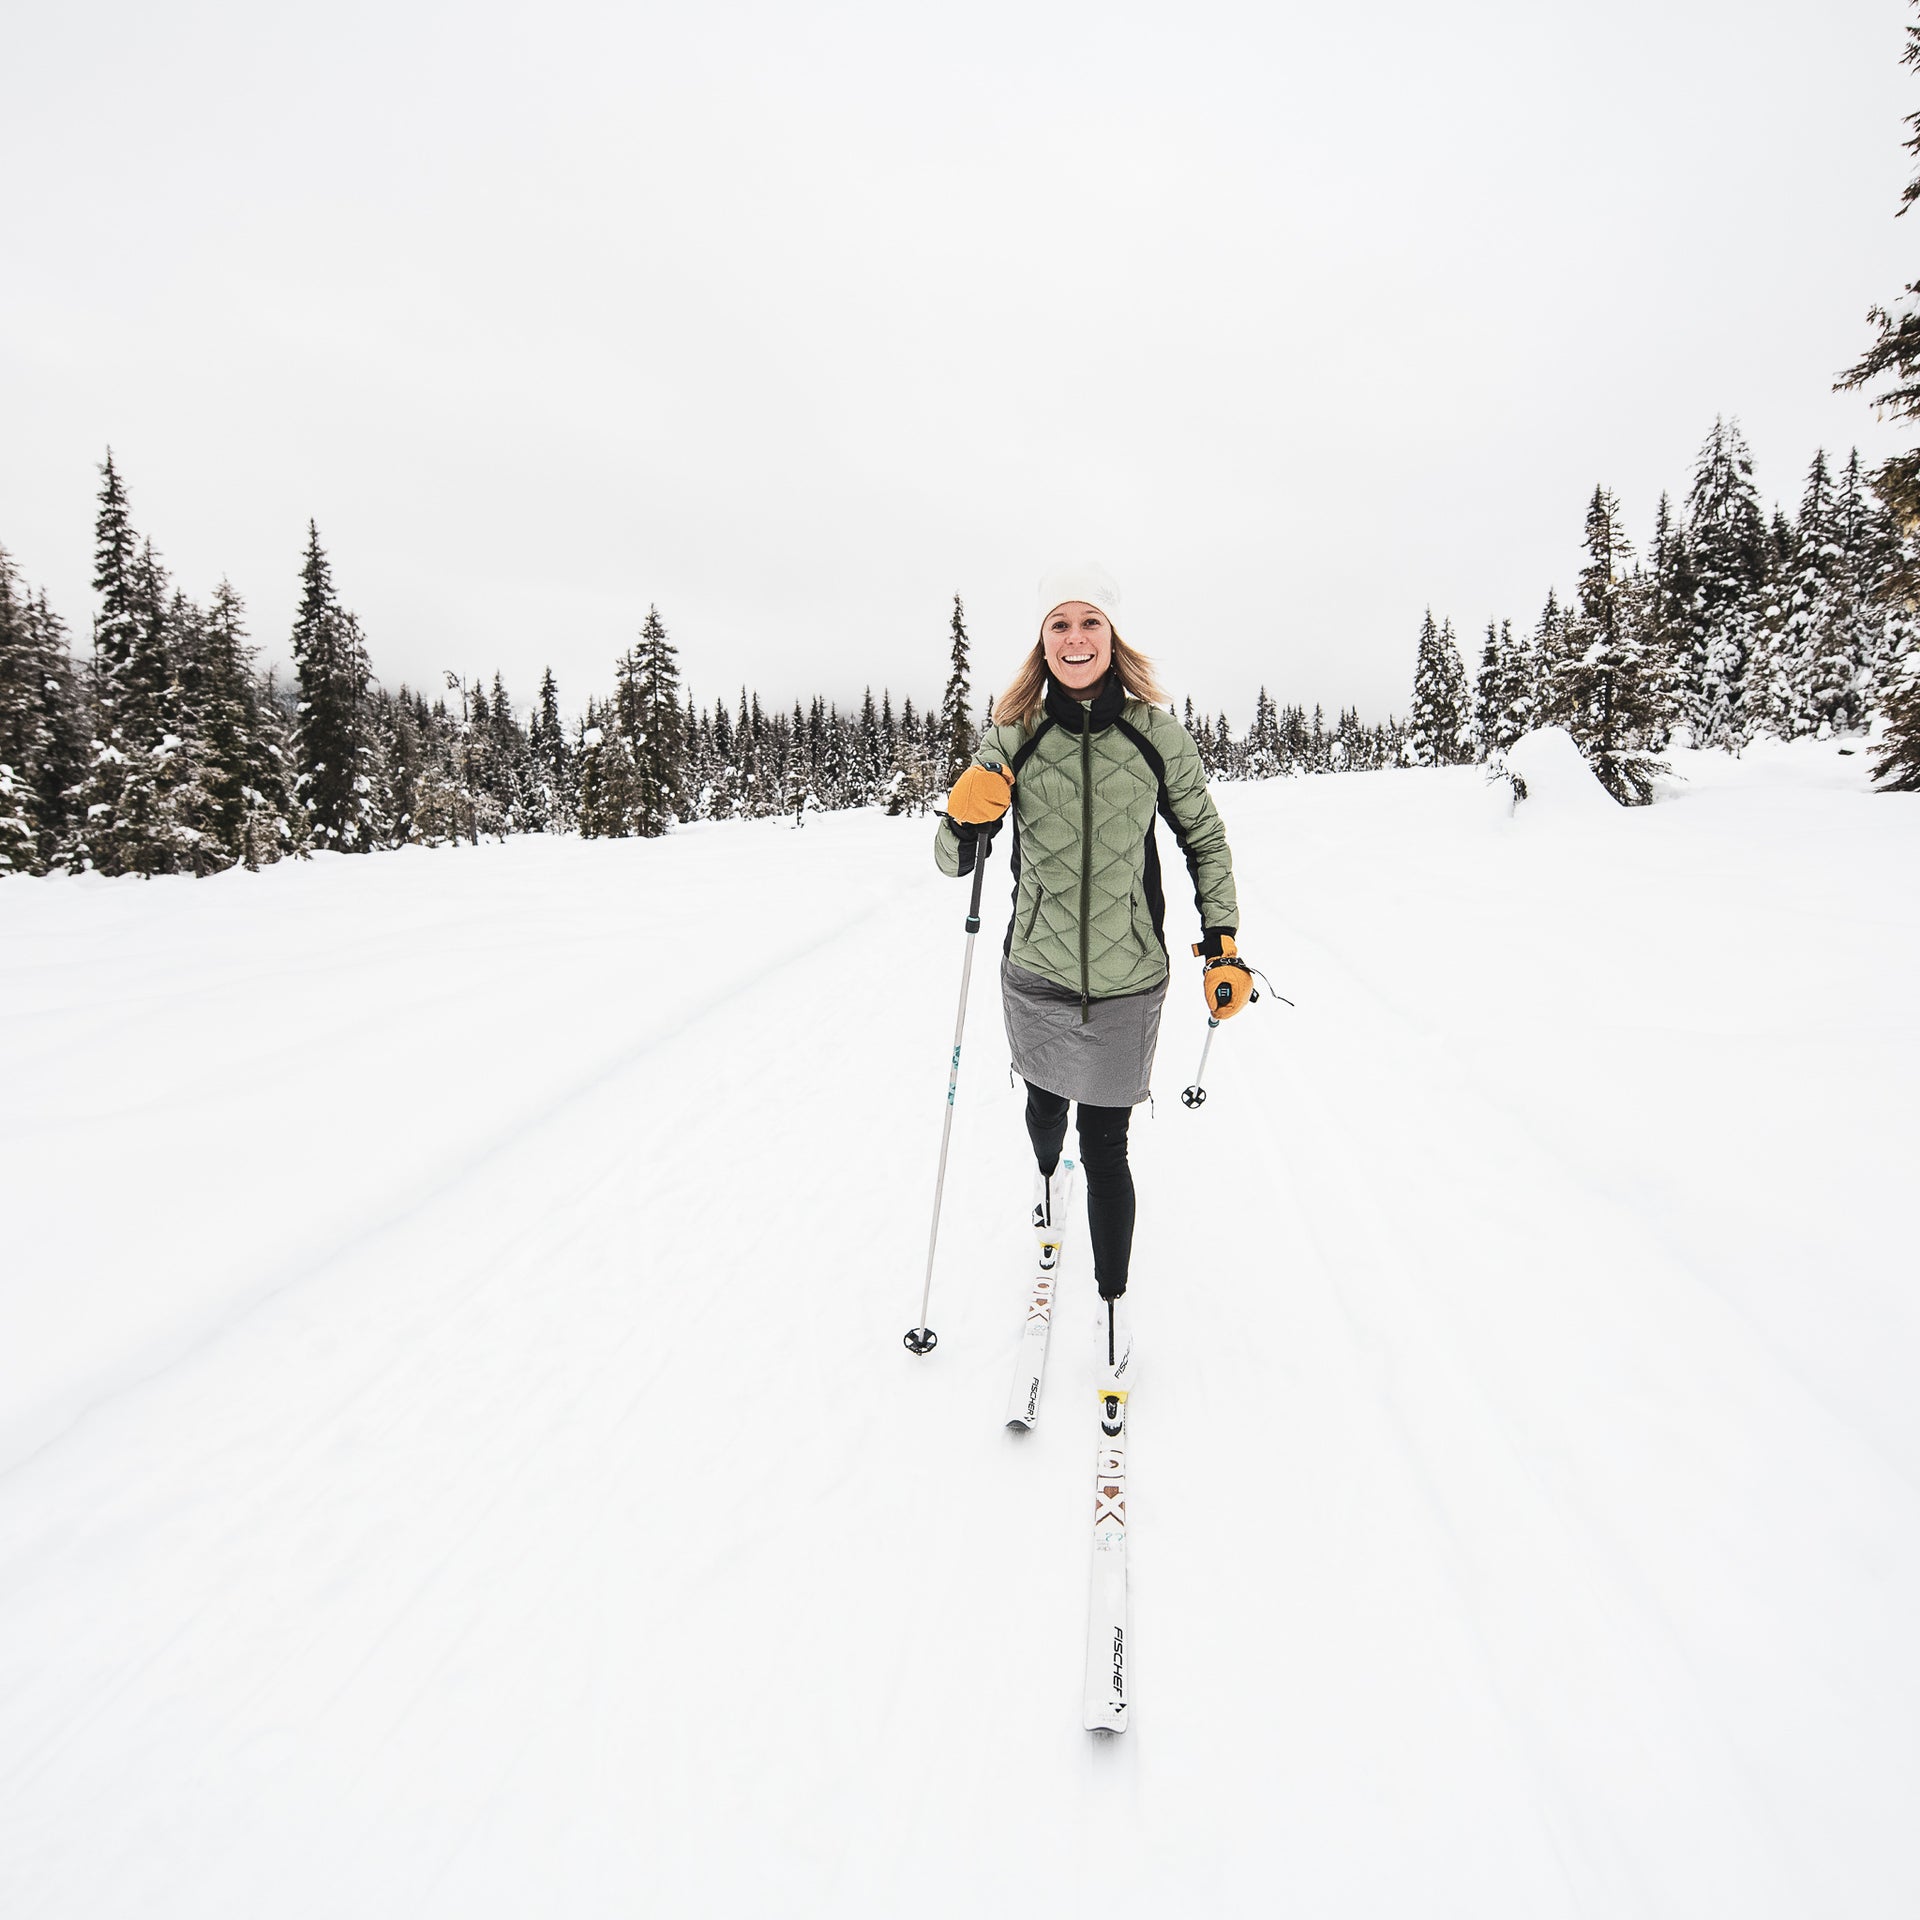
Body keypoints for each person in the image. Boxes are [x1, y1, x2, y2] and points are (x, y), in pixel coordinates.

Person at [933, 564, 1250, 1387]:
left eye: (1090, 623)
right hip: (1035, 968)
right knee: (1044, 1101)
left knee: (1105, 1145)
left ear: (1113, 638)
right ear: (1042, 643)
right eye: (1059, 624)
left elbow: (1204, 839)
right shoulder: (1014, 733)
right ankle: (1046, 1187)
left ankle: (1112, 1308)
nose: (1075, 638)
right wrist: (963, 817)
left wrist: (1222, 943)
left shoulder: (1156, 734)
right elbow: (953, 860)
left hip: (1128, 976)